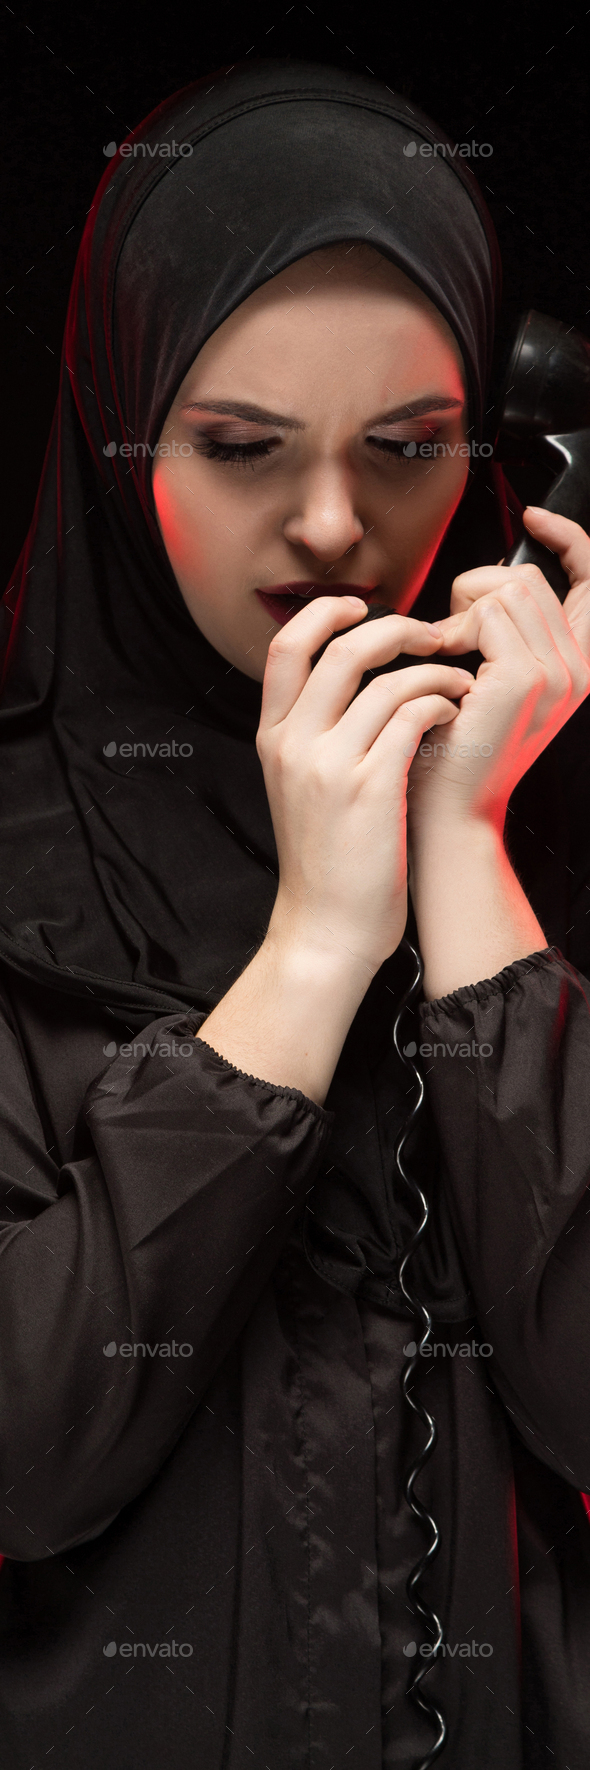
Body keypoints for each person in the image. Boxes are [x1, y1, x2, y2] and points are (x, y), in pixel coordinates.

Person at [1, 54, 590, 1770]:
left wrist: (469, 848)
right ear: (122, 427)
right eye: (242, 448)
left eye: (410, 448)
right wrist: (314, 952)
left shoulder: (548, 813)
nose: (335, 525)